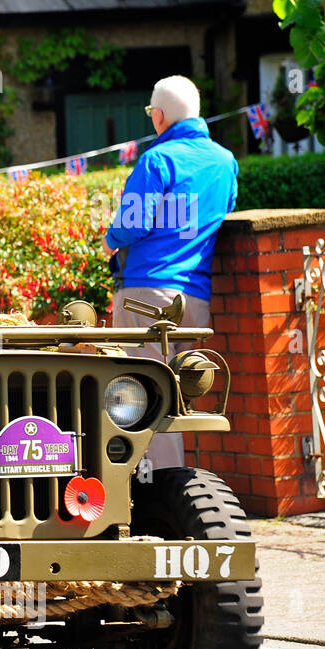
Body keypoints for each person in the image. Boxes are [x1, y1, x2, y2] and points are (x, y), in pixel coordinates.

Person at [102, 74, 238, 470]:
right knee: (178, 398)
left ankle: (160, 494)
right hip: (195, 298)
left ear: (159, 116)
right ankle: (181, 490)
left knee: (142, 399)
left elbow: (132, 225)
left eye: (151, 112)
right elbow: (225, 207)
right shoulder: (224, 160)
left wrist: (109, 241)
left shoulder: (157, 160)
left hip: (147, 297)